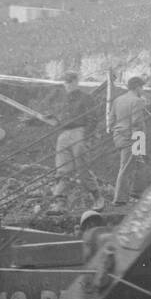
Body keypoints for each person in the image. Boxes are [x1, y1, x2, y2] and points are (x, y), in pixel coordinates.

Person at [54, 73, 102, 212]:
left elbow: (93, 118)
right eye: (65, 82)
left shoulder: (86, 98)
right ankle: (61, 203)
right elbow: (58, 119)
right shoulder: (63, 99)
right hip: (63, 134)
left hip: (79, 132)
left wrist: (85, 136)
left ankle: (97, 198)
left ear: (76, 82)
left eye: (70, 81)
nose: (67, 84)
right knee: (63, 169)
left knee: (82, 167)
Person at [111, 77, 148, 205]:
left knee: (139, 164)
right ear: (137, 87)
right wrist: (138, 143)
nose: (142, 90)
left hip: (119, 136)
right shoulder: (137, 101)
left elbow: (111, 120)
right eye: (142, 87)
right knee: (126, 167)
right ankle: (119, 199)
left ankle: (137, 193)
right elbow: (137, 123)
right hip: (133, 137)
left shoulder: (118, 100)